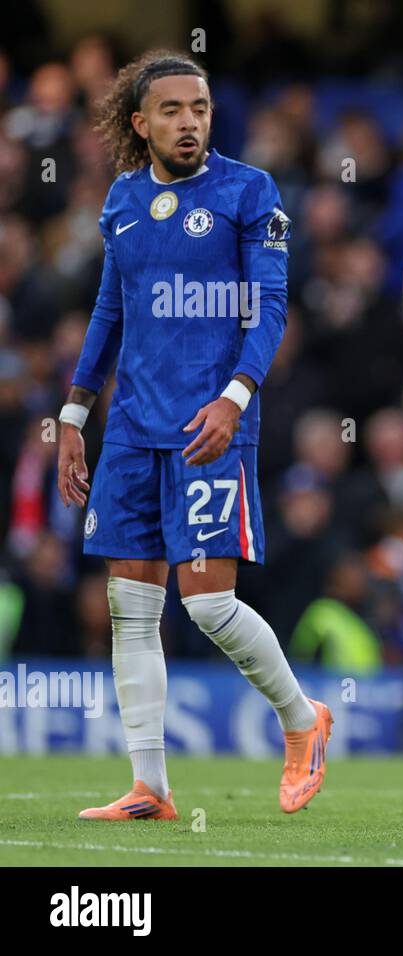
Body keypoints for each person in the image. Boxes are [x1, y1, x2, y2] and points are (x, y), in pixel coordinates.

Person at [58, 51, 331, 820]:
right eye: (172, 110)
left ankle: (304, 721)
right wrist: (76, 416)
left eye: (201, 107)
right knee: (130, 611)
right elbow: (110, 313)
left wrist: (236, 399)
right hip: (132, 434)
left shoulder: (250, 191)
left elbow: (269, 309)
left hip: (210, 430)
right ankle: (151, 786)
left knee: (208, 607)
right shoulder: (121, 199)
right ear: (140, 123)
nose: (190, 122)